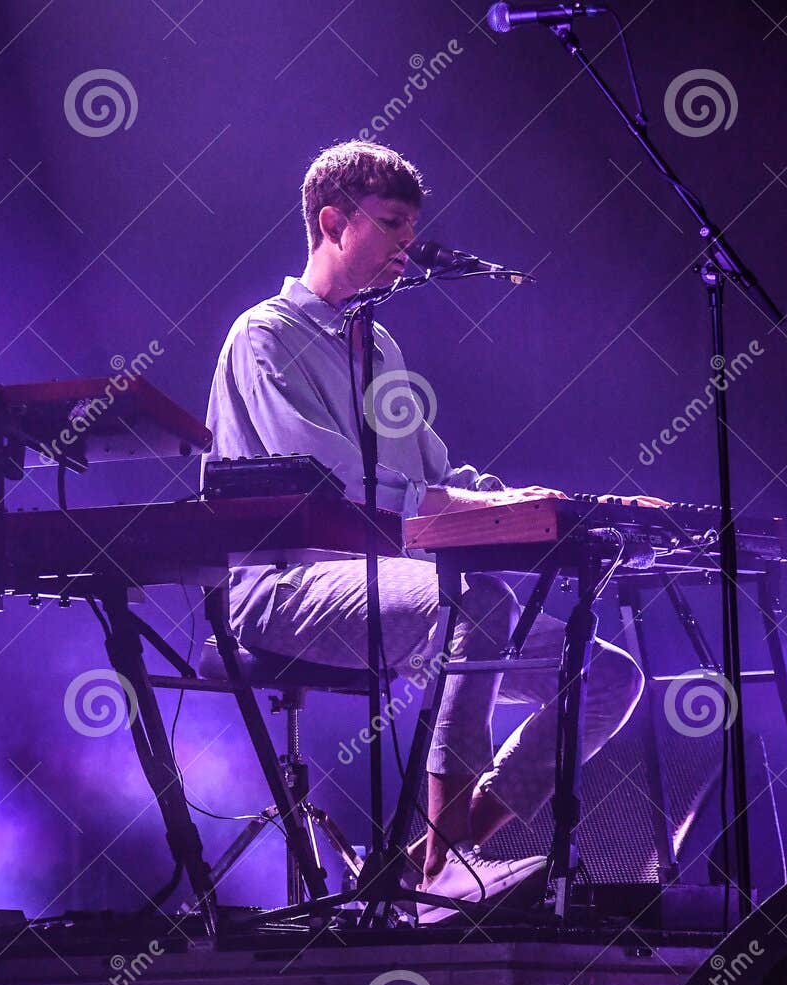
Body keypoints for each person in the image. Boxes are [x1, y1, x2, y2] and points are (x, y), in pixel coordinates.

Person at [204, 140, 649, 922]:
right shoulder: (263, 337)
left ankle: (431, 857)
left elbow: (431, 475)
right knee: (477, 599)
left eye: (412, 231)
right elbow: (334, 487)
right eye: (391, 226)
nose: (407, 249)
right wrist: (466, 508)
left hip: (397, 587)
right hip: (286, 584)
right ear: (332, 223)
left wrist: (526, 500)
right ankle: (448, 869)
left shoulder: (379, 345)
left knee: (607, 676)